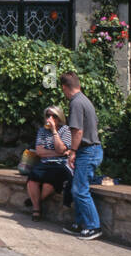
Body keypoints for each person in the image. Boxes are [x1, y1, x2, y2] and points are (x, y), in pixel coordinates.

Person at [60, 71, 103, 240]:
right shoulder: (84, 100)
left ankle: (94, 227)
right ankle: (80, 224)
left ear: (65, 87)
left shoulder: (76, 103)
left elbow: (77, 131)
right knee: (77, 187)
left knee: (80, 190)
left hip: (87, 151)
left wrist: (72, 152)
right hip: (91, 150)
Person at [27, 105, 73, 221]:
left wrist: (54, 131)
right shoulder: (42, 130)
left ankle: (35, 202)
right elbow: (40, 152)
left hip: (60, 165)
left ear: (60, 117)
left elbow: (61, 149)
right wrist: (59, 152)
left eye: (54, 116)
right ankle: (36, 209)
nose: (50, 118)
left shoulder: (65, 130)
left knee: (49, 183)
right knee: (32, 178)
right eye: (48, 115)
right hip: (45, 163)